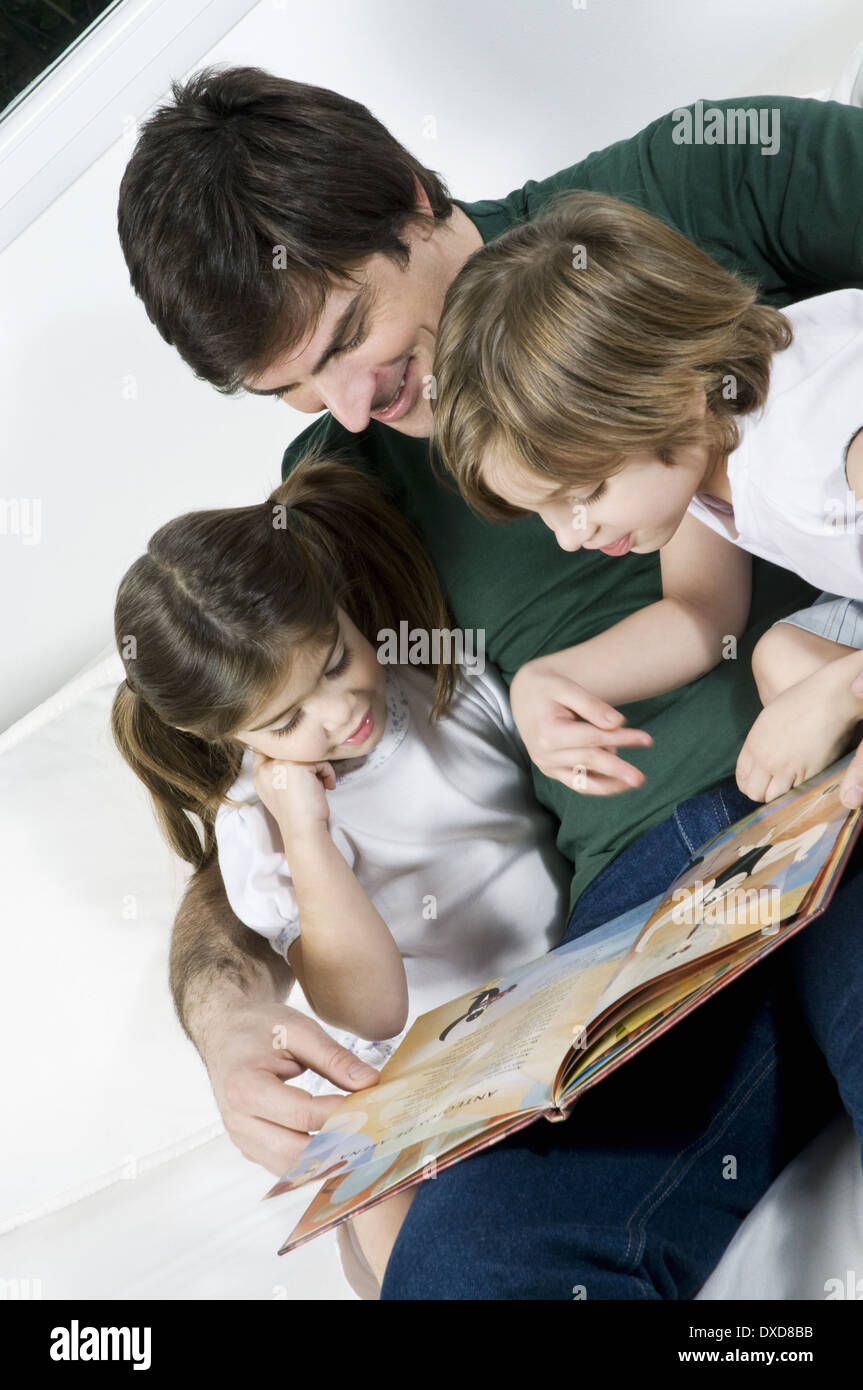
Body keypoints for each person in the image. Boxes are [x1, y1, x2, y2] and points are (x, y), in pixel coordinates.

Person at [116, 65, 863, 1298]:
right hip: (647, 922)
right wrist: (227, 1012)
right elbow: (251, 786)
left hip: (840, 784)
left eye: (348, 333)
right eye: (295, 388)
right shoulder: (340, 485)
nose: (351, 400)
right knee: (467, 1271)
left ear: (411, 198)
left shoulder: (688, 184)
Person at [109, 451, 570, 1293]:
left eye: (333, 660)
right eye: (285, 719)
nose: (339, 713)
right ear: (232, 739)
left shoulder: (445, 684)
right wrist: (308, 831)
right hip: (420, 1069)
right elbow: (369, 1005)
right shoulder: (263, 829)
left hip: (558, 1006)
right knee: (392, 1206)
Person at [430, 190, 863, 808]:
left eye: (585, 494)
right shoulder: (703, 438)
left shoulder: (821, 444)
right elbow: (702, 611)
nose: (571, 535)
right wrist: (549, 679)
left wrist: (844, 690)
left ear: (672, 396)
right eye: (543, 513)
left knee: (805, 691)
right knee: (783, 661)